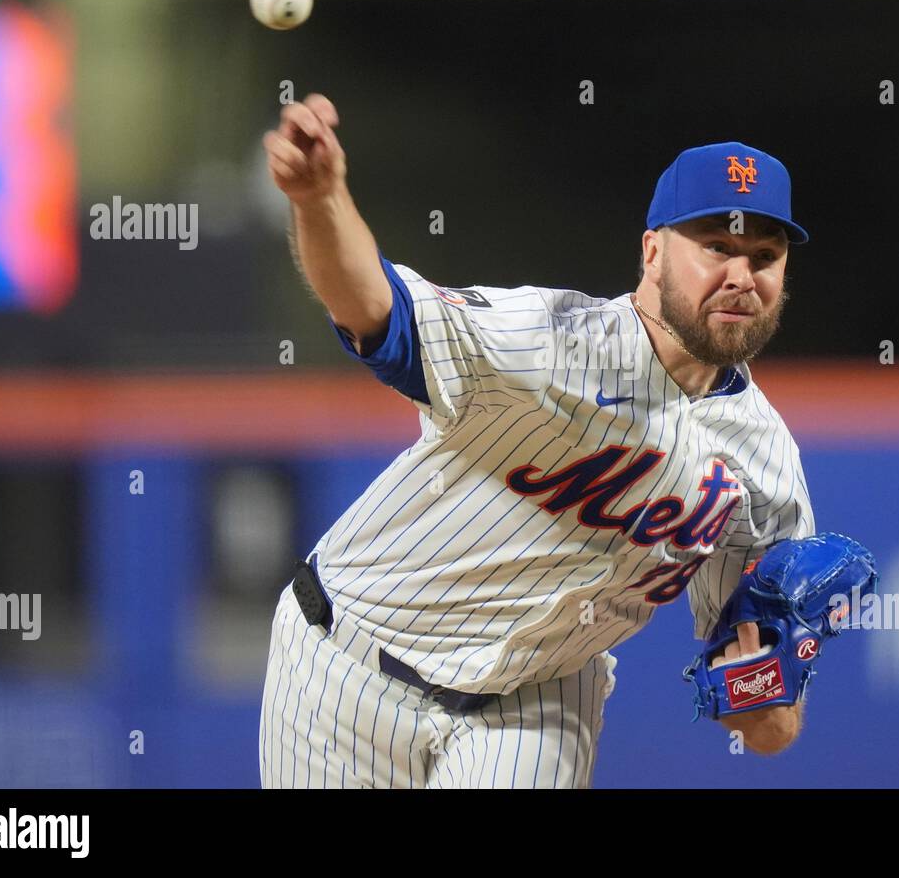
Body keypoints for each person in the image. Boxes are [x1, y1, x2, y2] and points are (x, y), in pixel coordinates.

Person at [259, 93, 815, 788]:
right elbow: (374, 309)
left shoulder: (767, 472)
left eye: (764, 255)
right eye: (717, 248)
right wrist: (320, 199)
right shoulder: (550, 341)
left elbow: (764, 726)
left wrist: (773, 675)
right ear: (653, 252)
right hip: (350, 660)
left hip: (538, 702)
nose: (741, 276)